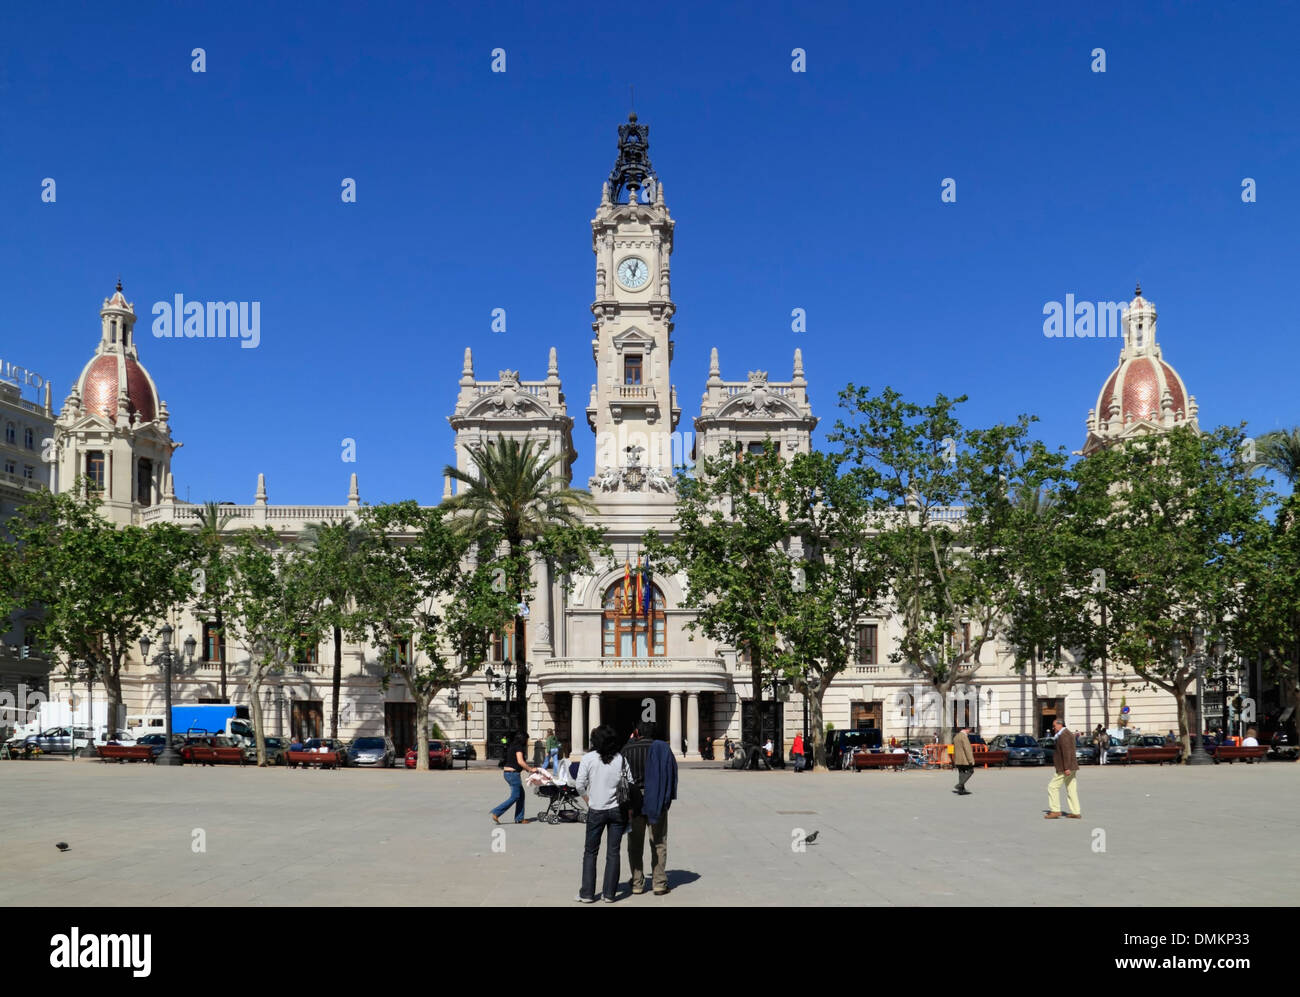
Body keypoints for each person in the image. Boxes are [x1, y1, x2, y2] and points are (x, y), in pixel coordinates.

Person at [575, 724, 632, 903]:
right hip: (617, 810)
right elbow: (630, 784)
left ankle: (587, 893)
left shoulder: (588, 758)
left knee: (590, 852)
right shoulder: (620, 759)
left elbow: (579, 784)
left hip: (596, 809)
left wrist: (587, 799)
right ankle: (609, 894)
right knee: (613, 852)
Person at [622, 720, 678, 896]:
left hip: (634, 800)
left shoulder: (627, 750)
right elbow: (671, 774)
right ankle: (659, 883)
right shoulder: (662, 749)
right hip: (657, 799)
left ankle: (637, 883)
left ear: (637, 732)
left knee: (635, 843)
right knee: (659, 841)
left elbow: (621, 777)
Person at [490, 730, 539, 825]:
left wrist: (528, 769)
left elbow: (517, 762)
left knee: (521, 795)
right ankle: (497, 812)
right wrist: (530, 769)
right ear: (523, 739)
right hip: (513, 774)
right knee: (515, 796)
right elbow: (520, 761)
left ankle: (519, 818)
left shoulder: (512, 745)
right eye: (526, 739)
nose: (527, 742)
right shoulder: (519, 747)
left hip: (508, 773)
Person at [1045, 718, 1080, 819]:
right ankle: (1075, 811)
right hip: (1072, 766)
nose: (1053, 728)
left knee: (1052, 787)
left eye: (1054, 726)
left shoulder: (1063, 735)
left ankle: (1055, 810)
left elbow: (1066, 752)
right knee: (1071, 788)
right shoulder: (1067, 733)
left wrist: (1066, 767)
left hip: (1065, 767)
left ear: (1060, 725)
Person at [952, 724, 974, 796]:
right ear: (967, 729)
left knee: (961, 773)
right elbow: (967, 749)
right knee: (970, 771)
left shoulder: (956, 736)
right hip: (964, 759)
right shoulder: (964, 737)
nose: (969, 731)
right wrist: (971, 760)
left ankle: (961, 790)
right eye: (970, 730)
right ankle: (960, 784)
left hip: (957, 759)